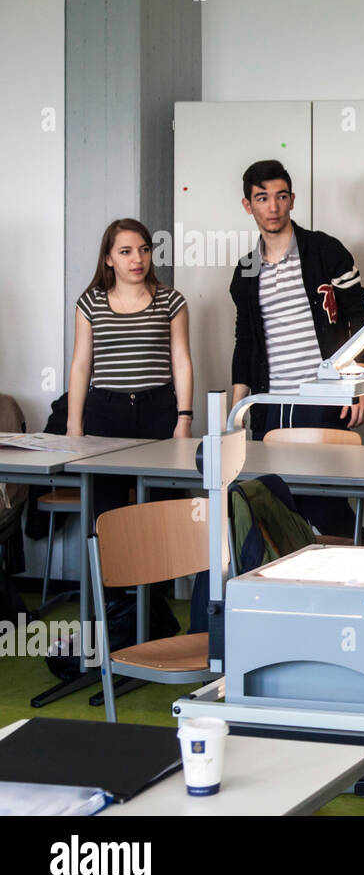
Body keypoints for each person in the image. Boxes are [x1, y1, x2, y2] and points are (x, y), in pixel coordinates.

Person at [231, 160, 364, 539]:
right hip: (270, 403)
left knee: (321, 500)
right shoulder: (246, 269)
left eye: (281, 196)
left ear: (292, 200)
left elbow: (360, 318)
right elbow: (245, 339)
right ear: (248, 205)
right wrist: (237, 407)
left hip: (322, 397)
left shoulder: (326, 251)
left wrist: (360, 384)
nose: (273, 207)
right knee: (275, 502)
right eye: (262, 198)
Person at [68, 217, 194, 636]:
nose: (136, 258)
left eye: (143, 249)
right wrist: (73, 426)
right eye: (125, 251)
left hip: (158, 410)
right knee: (106, 514)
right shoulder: (89, 303)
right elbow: (81, 365)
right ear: (109, 259)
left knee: (156, 514)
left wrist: (184, 418)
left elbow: (181, 361)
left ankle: (153, 614)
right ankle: (112, 611)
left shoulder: (171, 300)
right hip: (106, 413)